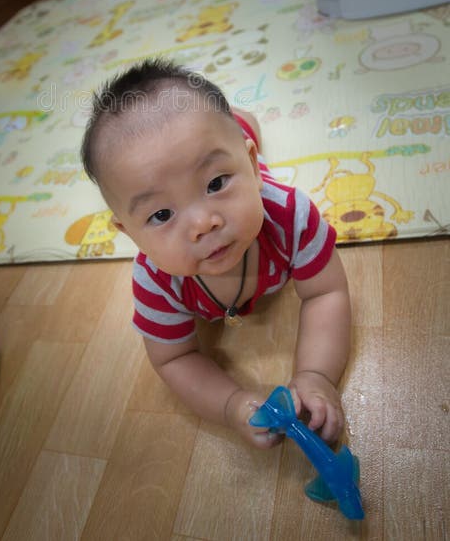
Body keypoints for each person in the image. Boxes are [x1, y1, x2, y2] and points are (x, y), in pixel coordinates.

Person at [81, 58, 351, 450]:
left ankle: (241, 125)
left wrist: (316, 375)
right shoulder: (155, 281)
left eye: (216, 183)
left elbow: (326, 293)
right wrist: (231, 404)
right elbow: (173, 359)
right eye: (161, 214)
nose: (203, 223)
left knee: (238, 127)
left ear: (253, 168)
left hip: (251, 167)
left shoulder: (291, 216)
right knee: (219, 141)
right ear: (129, 233)